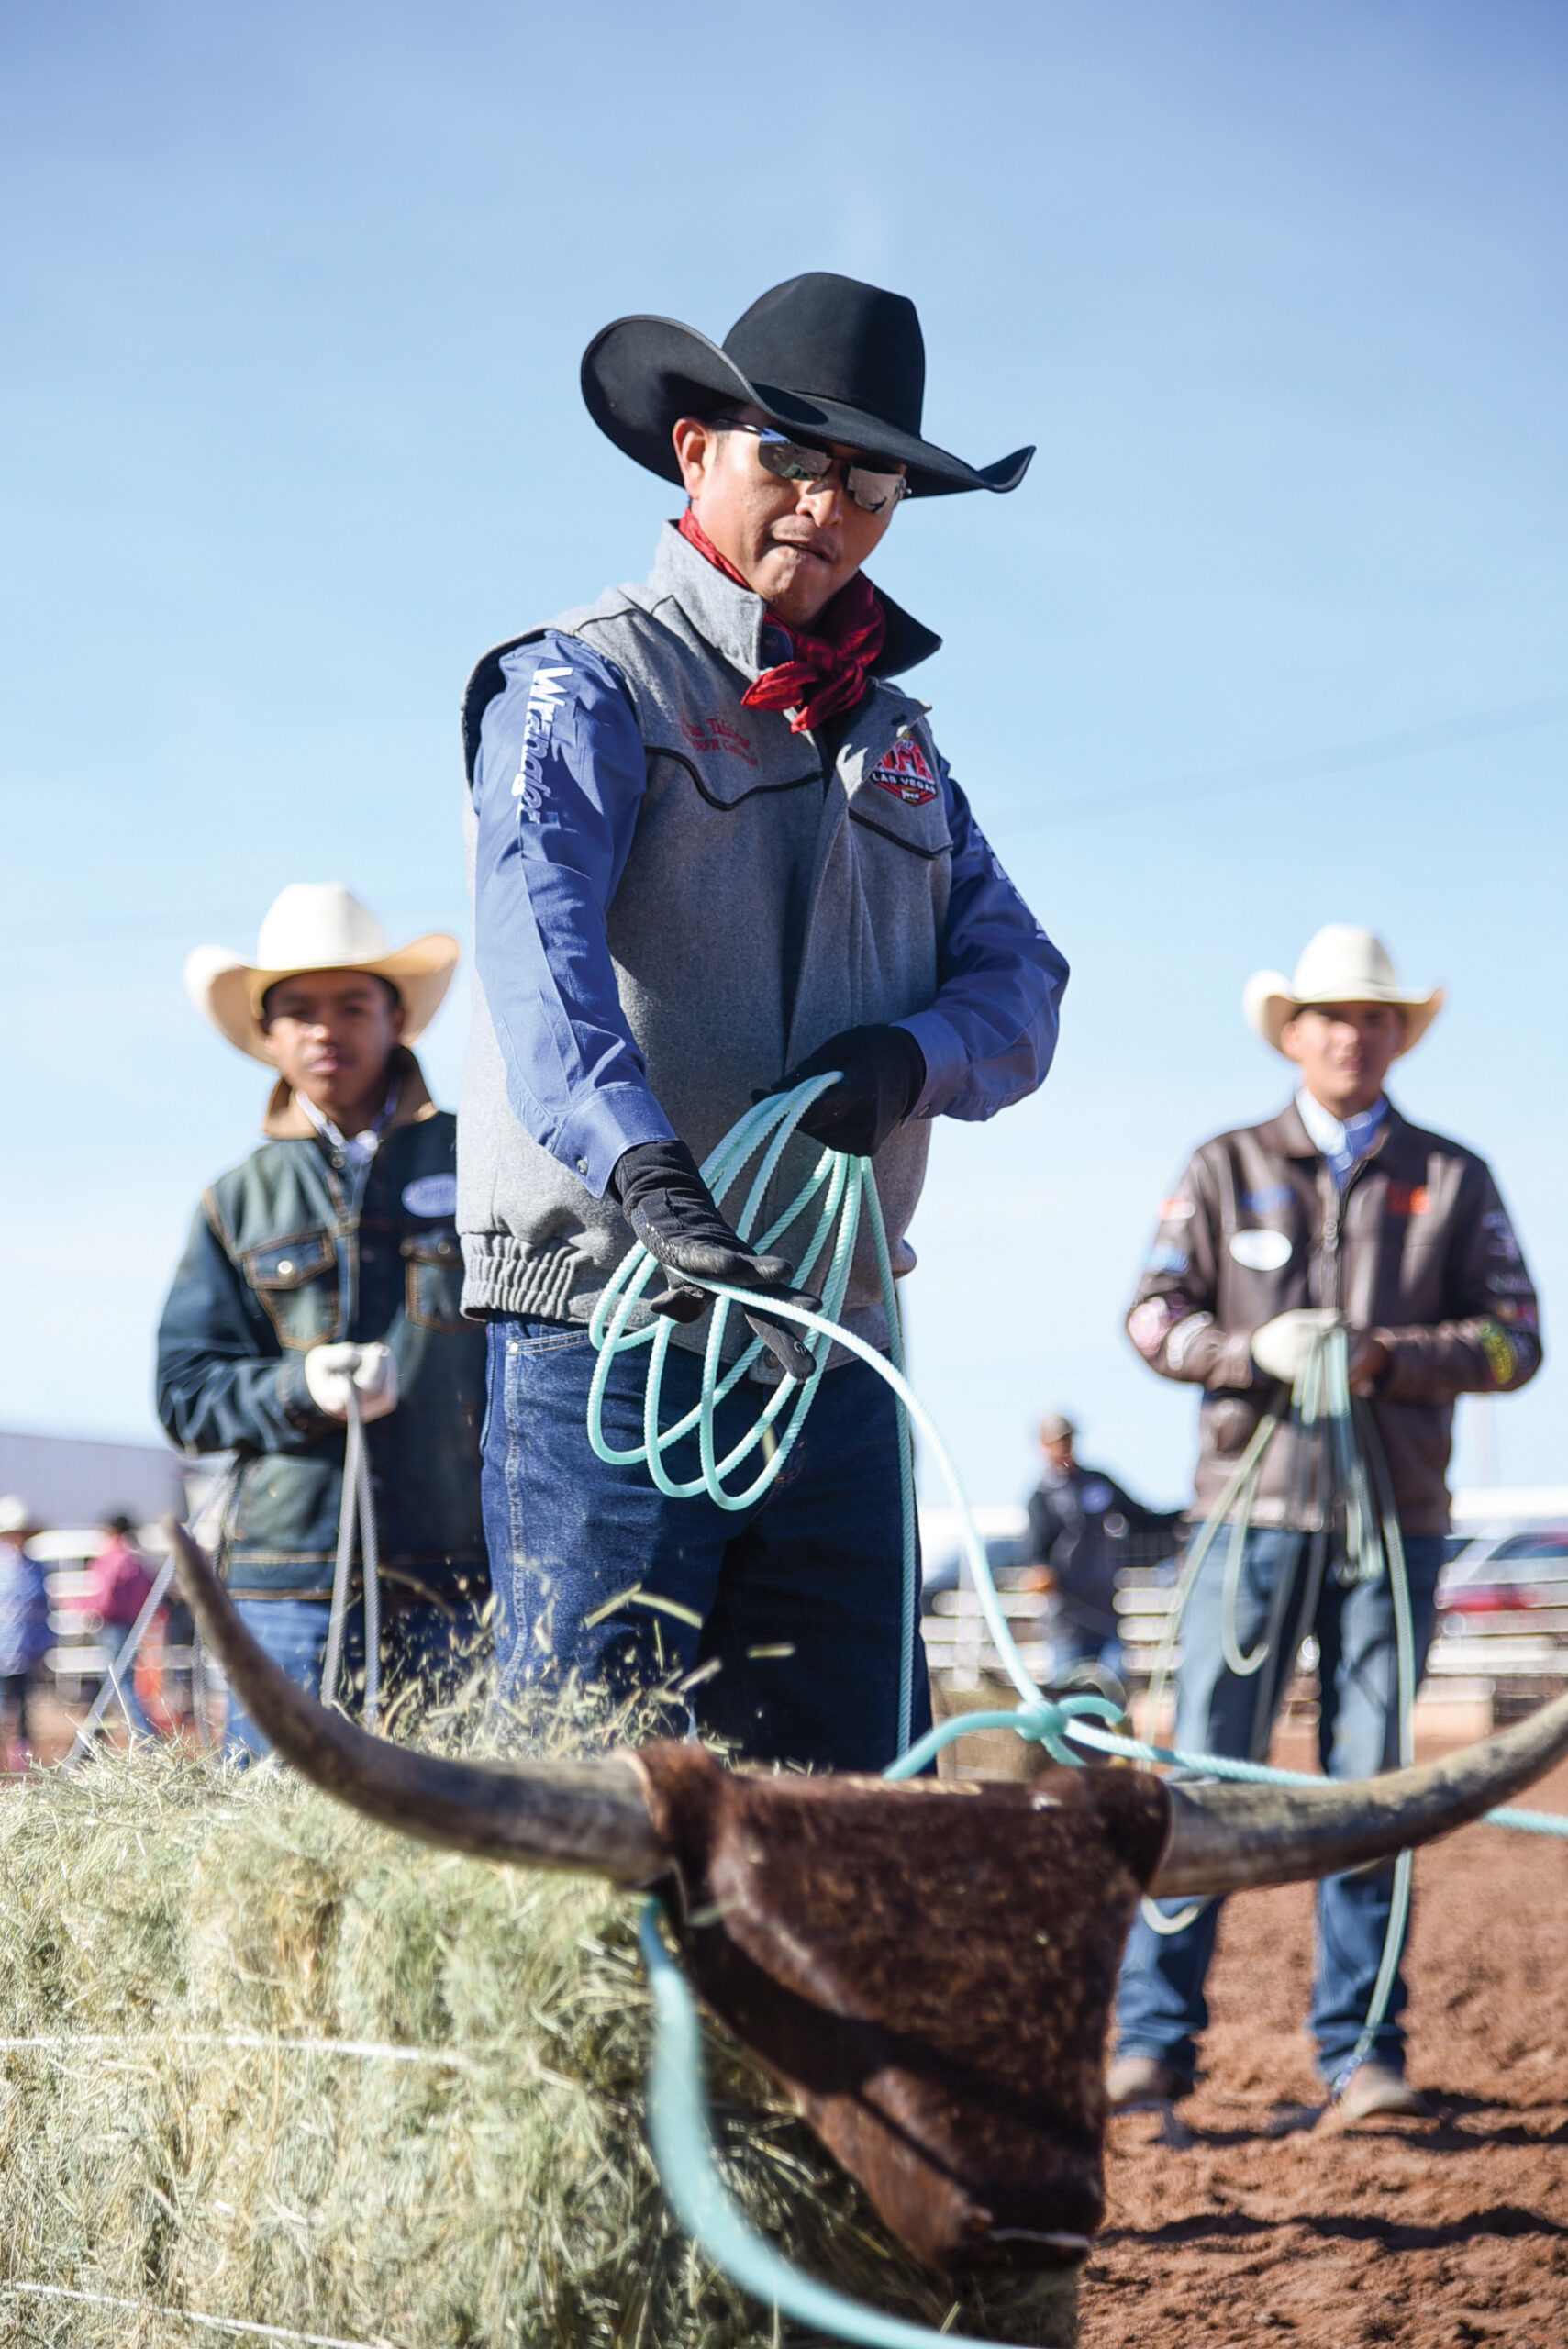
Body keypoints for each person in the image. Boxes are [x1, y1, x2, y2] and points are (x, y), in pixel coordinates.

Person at [460, 272, 1068, 1772]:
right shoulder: (576, 681)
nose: (828, 504)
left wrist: (905, 1059)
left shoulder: (903, 745)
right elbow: (539, 952)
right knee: (590, 1797)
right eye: (787, 457)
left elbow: (1020, 980)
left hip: (829, 1339)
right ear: (695, 452)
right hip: (603, 1323)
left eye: (869, 480)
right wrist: (640, 1161)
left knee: (843, 1798)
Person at [1110, 924, 1542, 2121]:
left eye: (1372, 1016)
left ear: (1396, 1033)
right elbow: (1150, 1319)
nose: (1351, 1034)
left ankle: (1362, 2057)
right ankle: (1152, 2044)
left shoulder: (1452, 1179)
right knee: (1197, 1777)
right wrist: (1247, 1351)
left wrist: (1383, 1360)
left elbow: (1516, 1338)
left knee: (1367, 1789)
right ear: (1292, 1031)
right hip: (1245, 1522)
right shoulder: (1219, 1164)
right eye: (1330, 1015)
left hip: (1391, 1526)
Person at [157, 884, 490, 1755]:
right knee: (283, 1851)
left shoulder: (485, 1160)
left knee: (449, 1834)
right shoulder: (235, 1202)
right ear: (267, 1034)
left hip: (455, 1572)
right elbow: (184, 1392)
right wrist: (297, 1387)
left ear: (398, 1017)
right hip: (286, 1588)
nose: (324, 1030)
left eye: (351, 1004)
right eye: (298, 1011)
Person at [1020, 1414, 1184, 1686]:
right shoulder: (1040, 1498)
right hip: (1067, 1622)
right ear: (1043, 1446)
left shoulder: (1098, 1482)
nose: (1065, 1446)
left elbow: (1142, 1518)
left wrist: (1187, 1515)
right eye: (1057, 1441)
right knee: (1070, 1695)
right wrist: (1040, 1577)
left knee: (1114, 1689)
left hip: (1107, 1613)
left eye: (1068, 1439)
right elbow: (1035, 1557)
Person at [70, 1514, 158, 1738]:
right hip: (130, 1625)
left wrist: (83, 1608)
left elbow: (103, 1597)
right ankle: (96, 1735)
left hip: (113, 1626)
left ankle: (143, 1735)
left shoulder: (112, 1558)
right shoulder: (135, 1559)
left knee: (119, 1682)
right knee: (116, 1680)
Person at [0, 1497, 50, 1772]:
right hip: (2, 1649)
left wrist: (44, 1647)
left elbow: (45, 1612)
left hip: (27, 1650)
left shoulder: (36, 1569)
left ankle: (21, 1759)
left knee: (22, 1706)